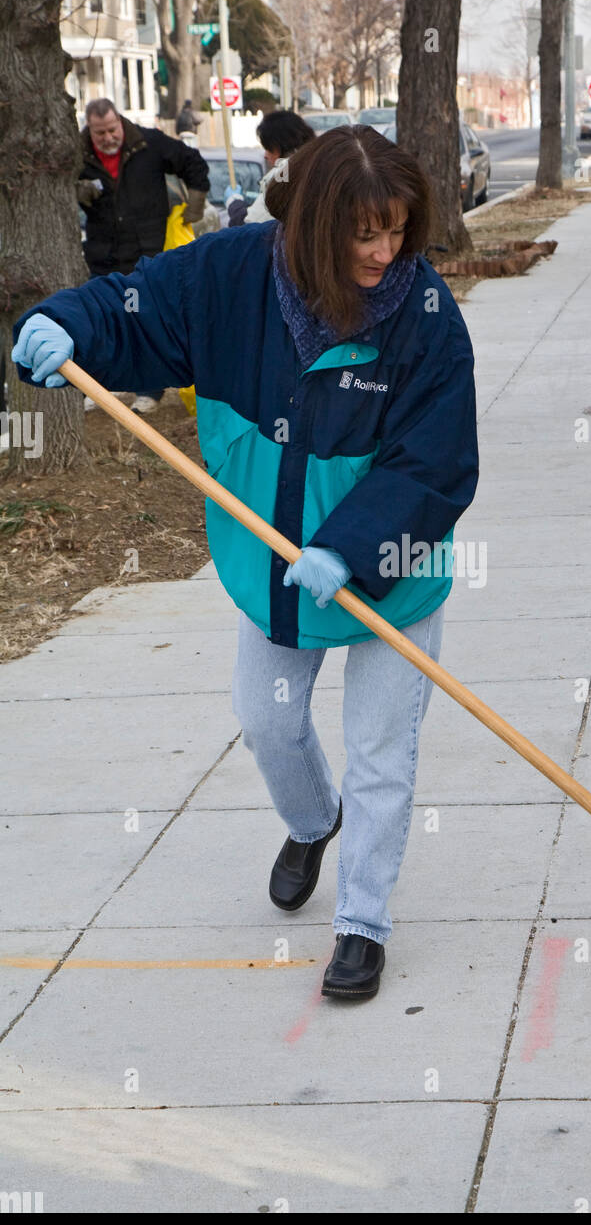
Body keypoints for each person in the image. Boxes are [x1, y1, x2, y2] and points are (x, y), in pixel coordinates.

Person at [12, 125, 479, 1003]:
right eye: (364, 234)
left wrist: (352, 546)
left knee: (381, 750)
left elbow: (438, 460)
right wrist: (59, 322)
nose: (385, 252)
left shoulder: (422, 317)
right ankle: (313, 821)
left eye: (397, 232)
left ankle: (362, 922)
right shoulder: (228, 277)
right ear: (313, 225)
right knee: (266, 724)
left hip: (390, 572)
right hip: (271, 568)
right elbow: (129, 304)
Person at [76, 98, 210, 413]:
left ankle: (150, 388)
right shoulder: (76, 154)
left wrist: (196, 203)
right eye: (100, 134)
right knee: (105, 322)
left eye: (111, 130)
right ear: (89, 131)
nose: (108, 138)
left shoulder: (149, 143)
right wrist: (77, 189)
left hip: (148, 251)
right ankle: (105, 386)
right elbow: (59, 183)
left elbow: (193, 162)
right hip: (104, 253)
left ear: (119, 122)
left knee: (147, 323)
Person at [224, 109, 315, 226]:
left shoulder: (285, 172)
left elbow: (248, 223)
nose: (265, 155)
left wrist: (234, 202)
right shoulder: (315, 164)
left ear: (279, 145)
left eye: (268, 148)